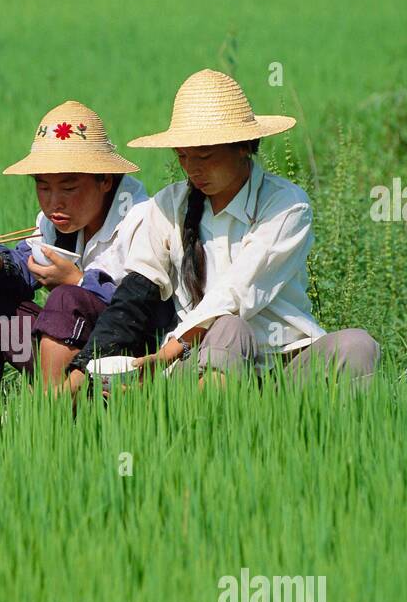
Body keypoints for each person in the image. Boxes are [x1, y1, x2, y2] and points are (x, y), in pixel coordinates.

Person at [65, 70, 380, 393]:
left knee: (358, 346)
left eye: (204, 156)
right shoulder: (168, 206)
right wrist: (83, 371)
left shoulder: (286, 205)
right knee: (230, 330)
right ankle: (209, 431)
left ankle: (321, 432)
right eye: (183, 156)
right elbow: (134, 297)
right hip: (204, 361)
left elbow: (238, 291)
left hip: (286, 362)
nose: (192, 169)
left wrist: (168, 351)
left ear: (243, 146)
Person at [0, 100, 169, 388]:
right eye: (43, 187)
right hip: (65, 342)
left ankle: (58, 411)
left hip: (124, 360)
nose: (54, 202)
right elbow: (25, 267)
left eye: (68, 188)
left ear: (105, 180)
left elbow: (140, 309)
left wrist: (76, 282)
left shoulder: (140, 220)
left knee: (67, 298)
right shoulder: (52, 221)